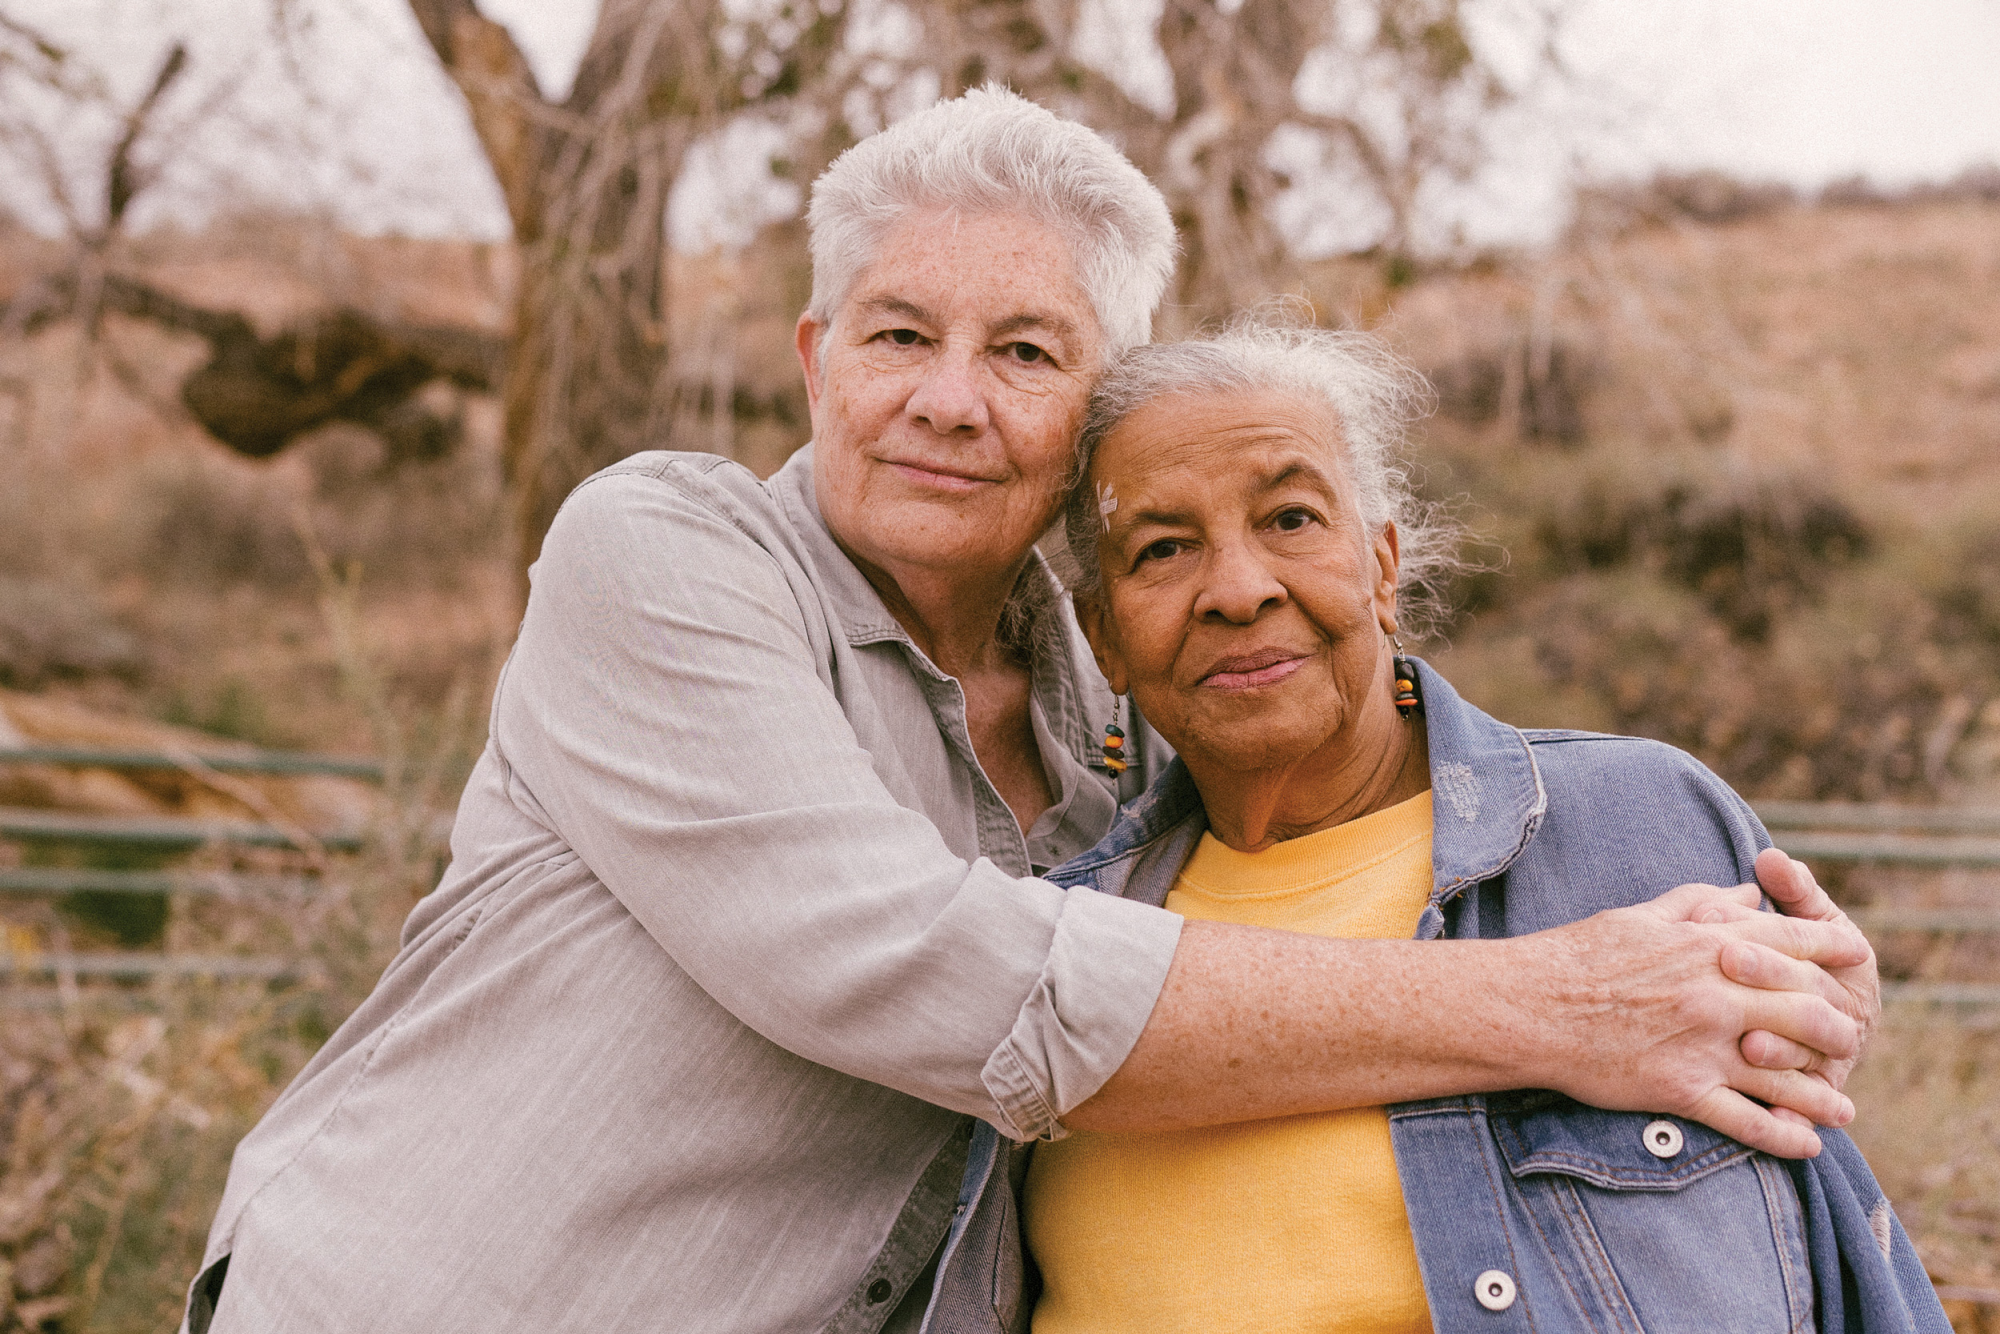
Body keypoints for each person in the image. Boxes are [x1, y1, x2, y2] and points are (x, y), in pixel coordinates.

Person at [185, 90, 1876, 1334]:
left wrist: (1768, 969)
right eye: (899, 332)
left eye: (1024, 350)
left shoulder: (1112, 742)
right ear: (813, 357)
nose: (945, 398)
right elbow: (933, 968)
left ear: (1089, 422)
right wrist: (1562, 1000)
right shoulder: (670, 554)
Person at [922, 317, 1939, 1334]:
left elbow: (1823, 1222)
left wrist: (1813, 1018)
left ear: (1380, 566)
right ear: (1103, 635)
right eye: (1160, 548)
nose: (1236, 589)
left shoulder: (1632, 819)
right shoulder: (1056, 939)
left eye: (1288, 518)